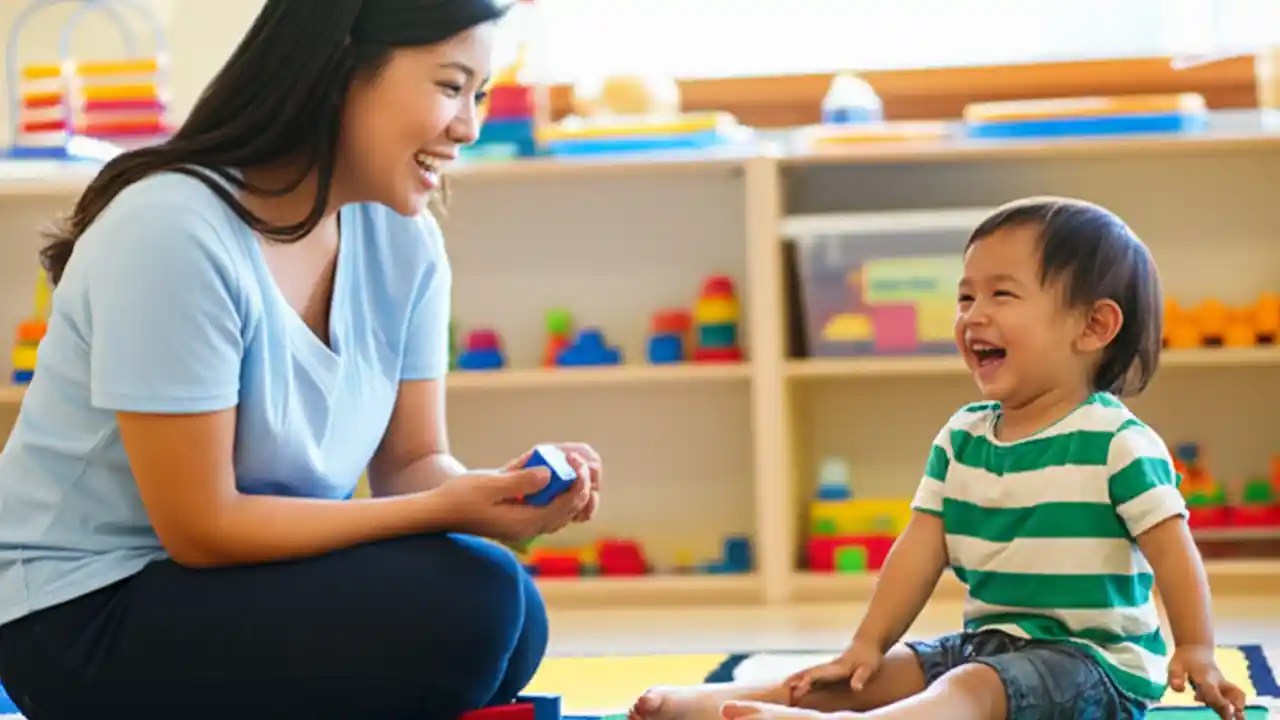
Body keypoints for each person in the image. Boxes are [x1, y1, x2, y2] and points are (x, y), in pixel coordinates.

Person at [0, 1, 603, 718]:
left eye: (480, 95)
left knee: (511, 616)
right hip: (81, 613)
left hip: (223, 585)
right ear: (342, 66)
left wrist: (497, 493)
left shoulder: (404, 244)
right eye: (449, 86)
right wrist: (439, 512)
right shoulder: (172, 228)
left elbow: (412, 464)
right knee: (475, 606)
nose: (468, 126)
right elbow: (201, 526)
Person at [628, 197, 1247, 720]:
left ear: (1092, 327)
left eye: (1002, 294)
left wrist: (1195, 647)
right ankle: (715, 703)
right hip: (991, 646)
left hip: (1095, 668)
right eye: (965, 297)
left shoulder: (1118, 441)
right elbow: (919, 551)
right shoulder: (964, 437)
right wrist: (866, 644)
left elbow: (1173, 550)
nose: (973, 316)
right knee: (886, 673)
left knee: (966, 689)